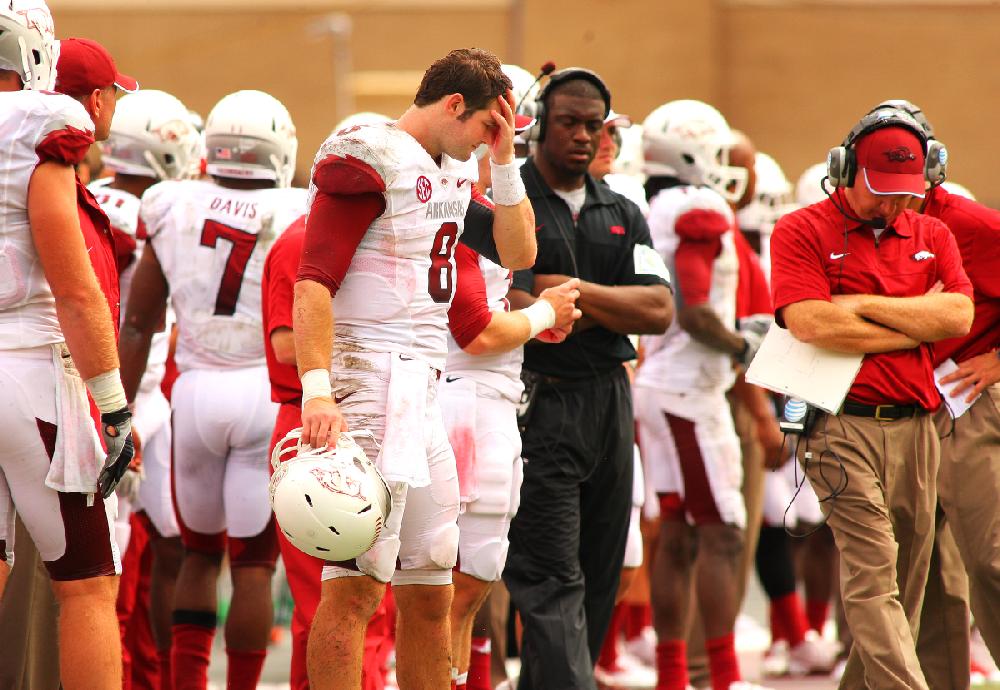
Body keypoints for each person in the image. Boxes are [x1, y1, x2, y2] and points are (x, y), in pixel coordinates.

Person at [293, 47, 536, 690]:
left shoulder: (450, 169)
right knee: (355, 587)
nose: (487, 139)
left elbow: (518, 251)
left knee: (433, 583)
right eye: (486, 125)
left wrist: (504, 162)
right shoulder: (371, 153)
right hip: (369, 380)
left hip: (424, 388)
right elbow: (312, 281)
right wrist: (317, 391)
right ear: (455, 105)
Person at [769, 107, 974, 690]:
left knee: (903, 589)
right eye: (881, 190)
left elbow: (958, 315)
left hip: (918, 426)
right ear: (845, 169)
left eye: (906, 191)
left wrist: (857, 305)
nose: (894, 204)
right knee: (873, 573)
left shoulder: (932, 232)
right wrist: (916, 324)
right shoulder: (801, 229)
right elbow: (810, 323)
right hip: (839, 425)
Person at [119, 89, 306, 690]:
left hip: (196, 394)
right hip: (264, 393)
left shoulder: (173, 203)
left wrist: (117, 410)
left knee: (198, 556)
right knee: (253, 566)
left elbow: (140, 322)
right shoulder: (299, 209)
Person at [502, 67, 673, 690]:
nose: (582, 135)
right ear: (540, 126)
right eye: (568, 122)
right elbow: (515, 304)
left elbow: (658, 309)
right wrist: (605, 303)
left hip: (610, 401)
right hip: (540, 401)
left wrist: (569, 293)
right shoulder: (510, 203)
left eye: (593, 125)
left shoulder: (621, 208)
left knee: (603, 571)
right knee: (551, 576)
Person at [0, 3, 136, 688]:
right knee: (86, 585)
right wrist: (113, 406)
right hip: (26, 370)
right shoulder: (36, 123)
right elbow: (76, 291)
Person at [633, 99, 769, 690]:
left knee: (680, 533)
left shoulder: (657, 205)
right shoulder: (698, 208)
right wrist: (744, 346)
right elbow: (693, 311)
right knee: (723, 531)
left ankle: (673, 676)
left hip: (664, 385)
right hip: (689, 390)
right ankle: (723, 676)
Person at [866, 99, 1000, 690]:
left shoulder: (971, 224)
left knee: (990, 559)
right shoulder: (856, 226)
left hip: (967, 404)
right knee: (923, 576)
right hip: (901, 408)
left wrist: (998, 360)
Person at [92, 88, 201, 689]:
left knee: (150, 548)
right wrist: (122, 410)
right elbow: (139, 324)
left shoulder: (85, 193)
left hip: (115, 391)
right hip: (132, 395)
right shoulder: (155, 212)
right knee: (128, 558)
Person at [442, 225, 581, 690]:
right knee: (448, 585)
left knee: (477, 576)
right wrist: (543, 313)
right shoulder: (451, 208)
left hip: (487, 396)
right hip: (461, 397)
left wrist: (531, 322)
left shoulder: (485, 213)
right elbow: (476, 333)